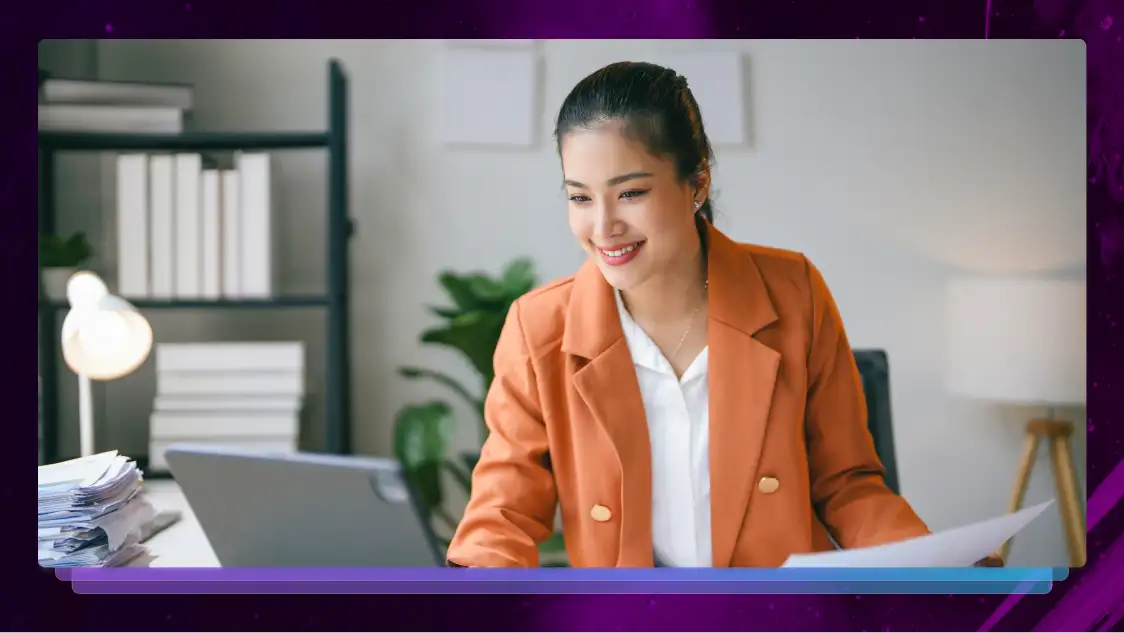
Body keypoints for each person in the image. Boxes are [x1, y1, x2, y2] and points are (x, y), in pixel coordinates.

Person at [446, 61, 1001, 568]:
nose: (603, 226)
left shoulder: (794, 292)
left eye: (630, 192)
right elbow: (503, 514)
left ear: (698, 184)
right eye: (580, 198)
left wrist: (936, 568)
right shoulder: (538, 326)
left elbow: (848, 486)